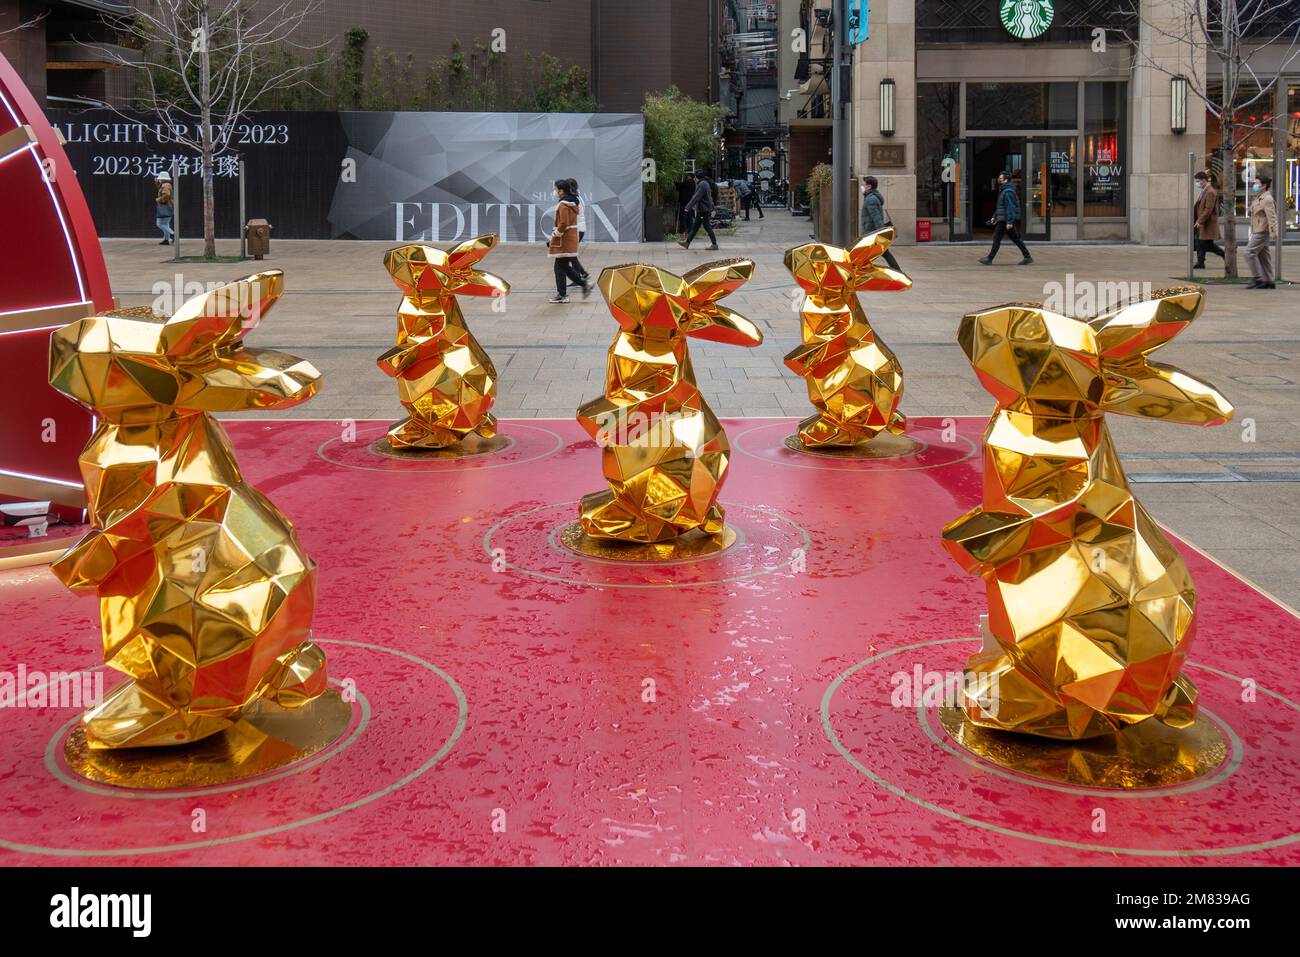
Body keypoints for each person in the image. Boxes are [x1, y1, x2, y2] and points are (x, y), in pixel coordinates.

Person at [978, 171, 1032, 265]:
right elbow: (1001, 207)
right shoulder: (1004, 190)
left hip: (1005, 220)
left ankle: (989, 258)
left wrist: (1010, 222)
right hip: (1004, 219)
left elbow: (1010, 208)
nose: (999, 180)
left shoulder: (1008, 192)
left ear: (1005, 180)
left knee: (997, 238)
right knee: (1016, 238)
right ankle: (1027, 256)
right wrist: (994, 217)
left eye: (1001, 179)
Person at [548, 179, 588, 303]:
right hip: (569, 238)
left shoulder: (563, 205)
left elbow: (563, 223)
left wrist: (555, 234)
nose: (555, 192)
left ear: (561, 191)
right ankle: (582, 284)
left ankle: (563, 295)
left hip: (564, 239)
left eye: (556, 189)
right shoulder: (572, 202)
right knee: (564, 266)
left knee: (559, 267)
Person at [859, 176, 901, 271]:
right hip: (872, 231)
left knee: (866, 252)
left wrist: (882, 232)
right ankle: (897, 269)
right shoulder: (870, 197)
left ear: (869, 186)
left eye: (864, 184)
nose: (863, 186)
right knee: (883, 252)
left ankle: (861, 270)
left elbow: (876, 217)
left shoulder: (871, 200)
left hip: (871, 231)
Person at [1245, 172, 1278, 290]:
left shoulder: (1267, 199)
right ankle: (1269, 280)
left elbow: (1272, 216)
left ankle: (1258, 278)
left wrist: (1274, 231)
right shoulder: (1260, 196)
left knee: (1249, 252)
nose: (1255, 185)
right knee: (1264, 256)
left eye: (1257, 183)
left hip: (1262, 230)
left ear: (1264, 186)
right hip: (1257, 228)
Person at [1192, 170, 1225, 270]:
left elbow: (1208, 209)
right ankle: (1200, 262)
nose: (1197, 183)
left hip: (1207, 223)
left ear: (1203, 180)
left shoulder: (1210, 192)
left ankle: (1225, 255)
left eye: (1198, 181)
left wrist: (1200, 220)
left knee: (1206, 244)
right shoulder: (1205, 191)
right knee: (1199, 242)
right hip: (1202, 222)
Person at [678, 172, 719, 250]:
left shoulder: (702, 184)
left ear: (696, 178)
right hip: (702, 209)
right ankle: (687, 242)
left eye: (694, 178)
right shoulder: (704, 183)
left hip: (704, 209)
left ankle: (714, 244)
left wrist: (688, 207)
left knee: (707, 227)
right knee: (695, 227)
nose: (694, 180)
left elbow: (696, 197)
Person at [566, 177, 591, 284]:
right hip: (579, 229)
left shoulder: (573, 199)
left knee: (571, 254)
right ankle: (581, 274)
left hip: (576, 229)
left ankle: (580, 275)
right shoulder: (578, 197)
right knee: (571, 254)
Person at [155, 172, 174, 245]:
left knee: (159, 223)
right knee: (166, 223)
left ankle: (172, 234)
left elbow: (166, 195)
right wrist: (157, 184)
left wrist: (158, 199)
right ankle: (166, 239)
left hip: (164, 206)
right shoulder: (166, 185)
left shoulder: (165, 186)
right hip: (169, 206)